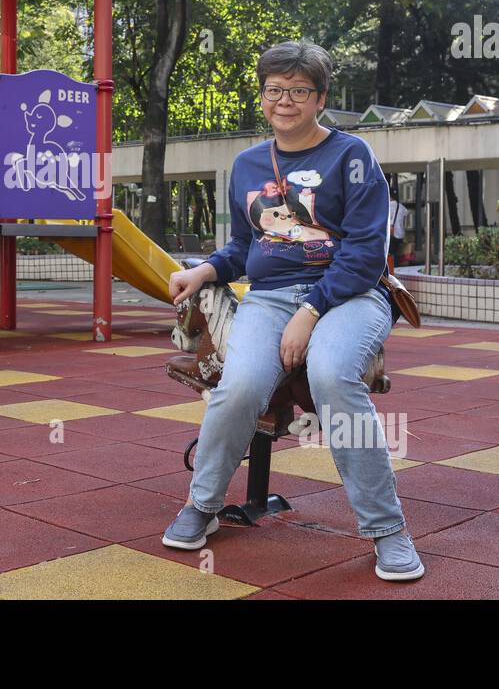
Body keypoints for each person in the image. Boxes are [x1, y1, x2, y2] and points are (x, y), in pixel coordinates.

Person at [165, 41, 423, 582]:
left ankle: (387, 529)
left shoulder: (352, 156)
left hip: (352, 294)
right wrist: (206, 271)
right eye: (274, 89)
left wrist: (310, 311)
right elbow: (244, 245)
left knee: (332, 375)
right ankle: (203, 504)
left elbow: (364, 253)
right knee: (239, 386)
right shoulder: (247, 164)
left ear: (320, 97)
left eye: (299, 91)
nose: (285, 100)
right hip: (269, 296)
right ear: (263, 96)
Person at [386, 182, 408, 264]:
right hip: (400, 234)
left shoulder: (386, 206)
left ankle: (393, 269)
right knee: (397, 252)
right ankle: (397, 266)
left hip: (390, 234)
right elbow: (406, 215)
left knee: (390, 253)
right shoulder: (401, 207)